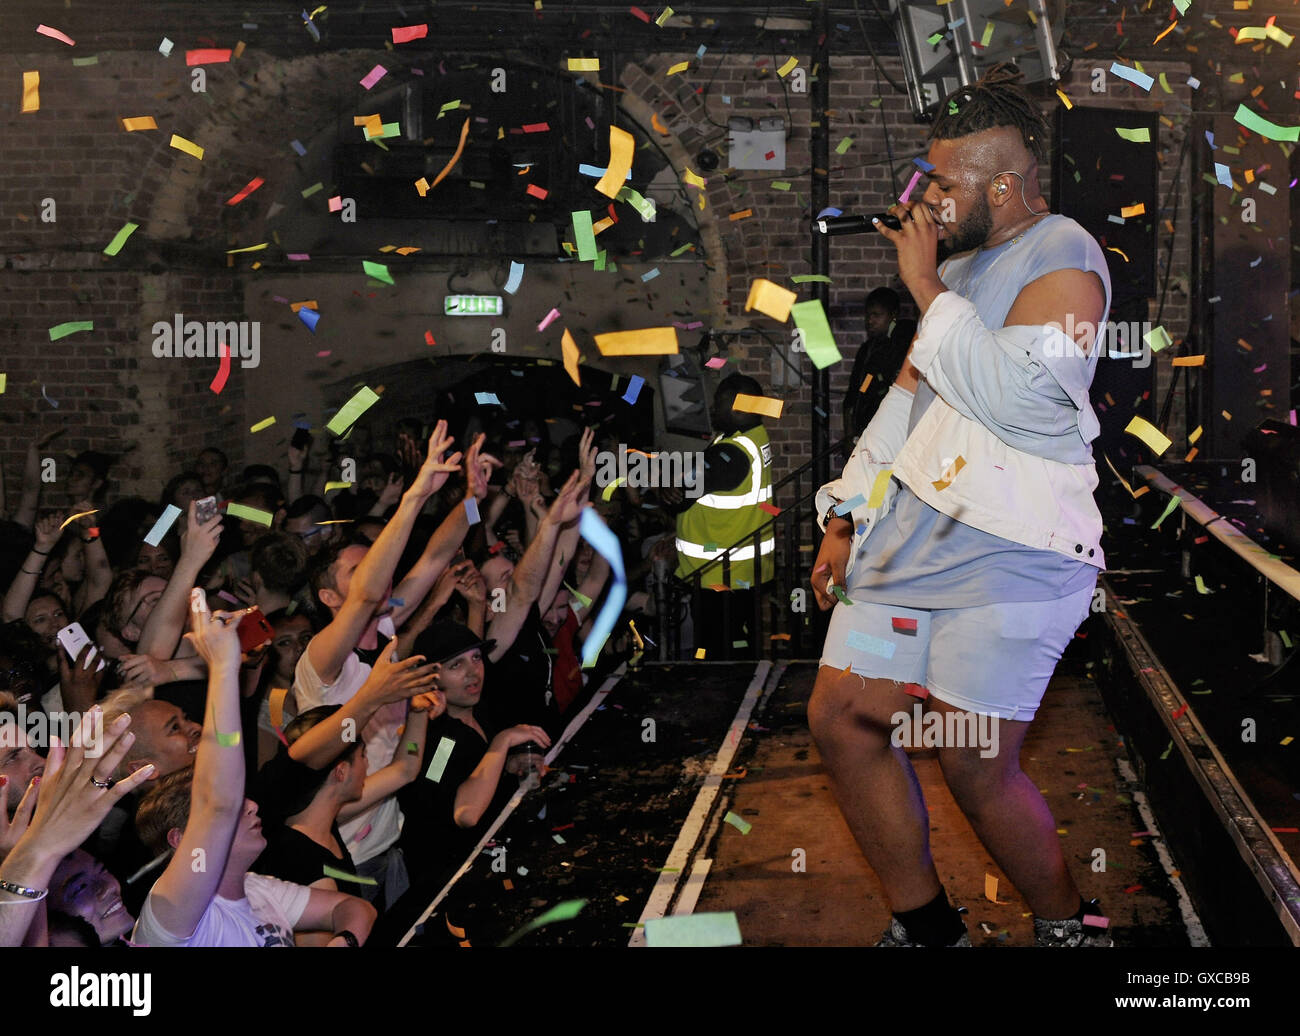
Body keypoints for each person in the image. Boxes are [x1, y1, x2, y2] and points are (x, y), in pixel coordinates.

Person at [808, 64, 1112, 948]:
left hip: (1013, 553)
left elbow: (1018, 400)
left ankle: (1064, 927)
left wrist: (928, 290)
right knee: (843, 718)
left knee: (975, 760)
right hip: (910, 544)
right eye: (927, 178)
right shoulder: (966, 268)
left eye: (944, 184)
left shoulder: (1064, 253)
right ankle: (927, 927)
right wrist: (844, 516)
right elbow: (908, 403)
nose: (926, 199)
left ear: (1004, 186)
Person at [130, 590, 375, 947]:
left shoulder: (256, 887)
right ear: (182, 841)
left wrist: (345, 942)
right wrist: (223, 667)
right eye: (235, 808)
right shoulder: (174, 914)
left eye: (245, 801)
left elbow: (355, 909)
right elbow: (220, 804)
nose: (252, 805)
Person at [672, 373, 775, 659]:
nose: (713, 409)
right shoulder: (751, 437)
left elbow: (681, 494)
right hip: (741, 571)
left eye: (719, 403)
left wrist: (660, 487)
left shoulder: (733, 452)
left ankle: (720, 699)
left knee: (713, 653)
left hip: (719, 574)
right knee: (737, 645)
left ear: (739, 408)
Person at [844, 288, 917, 442]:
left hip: (896, 433)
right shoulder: (868, 350)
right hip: (867, 433)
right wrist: (850, 435)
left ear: (893, 315)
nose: (870, 321)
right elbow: (854, 395)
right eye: (868, 315)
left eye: (877, 315)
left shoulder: (906, 342)